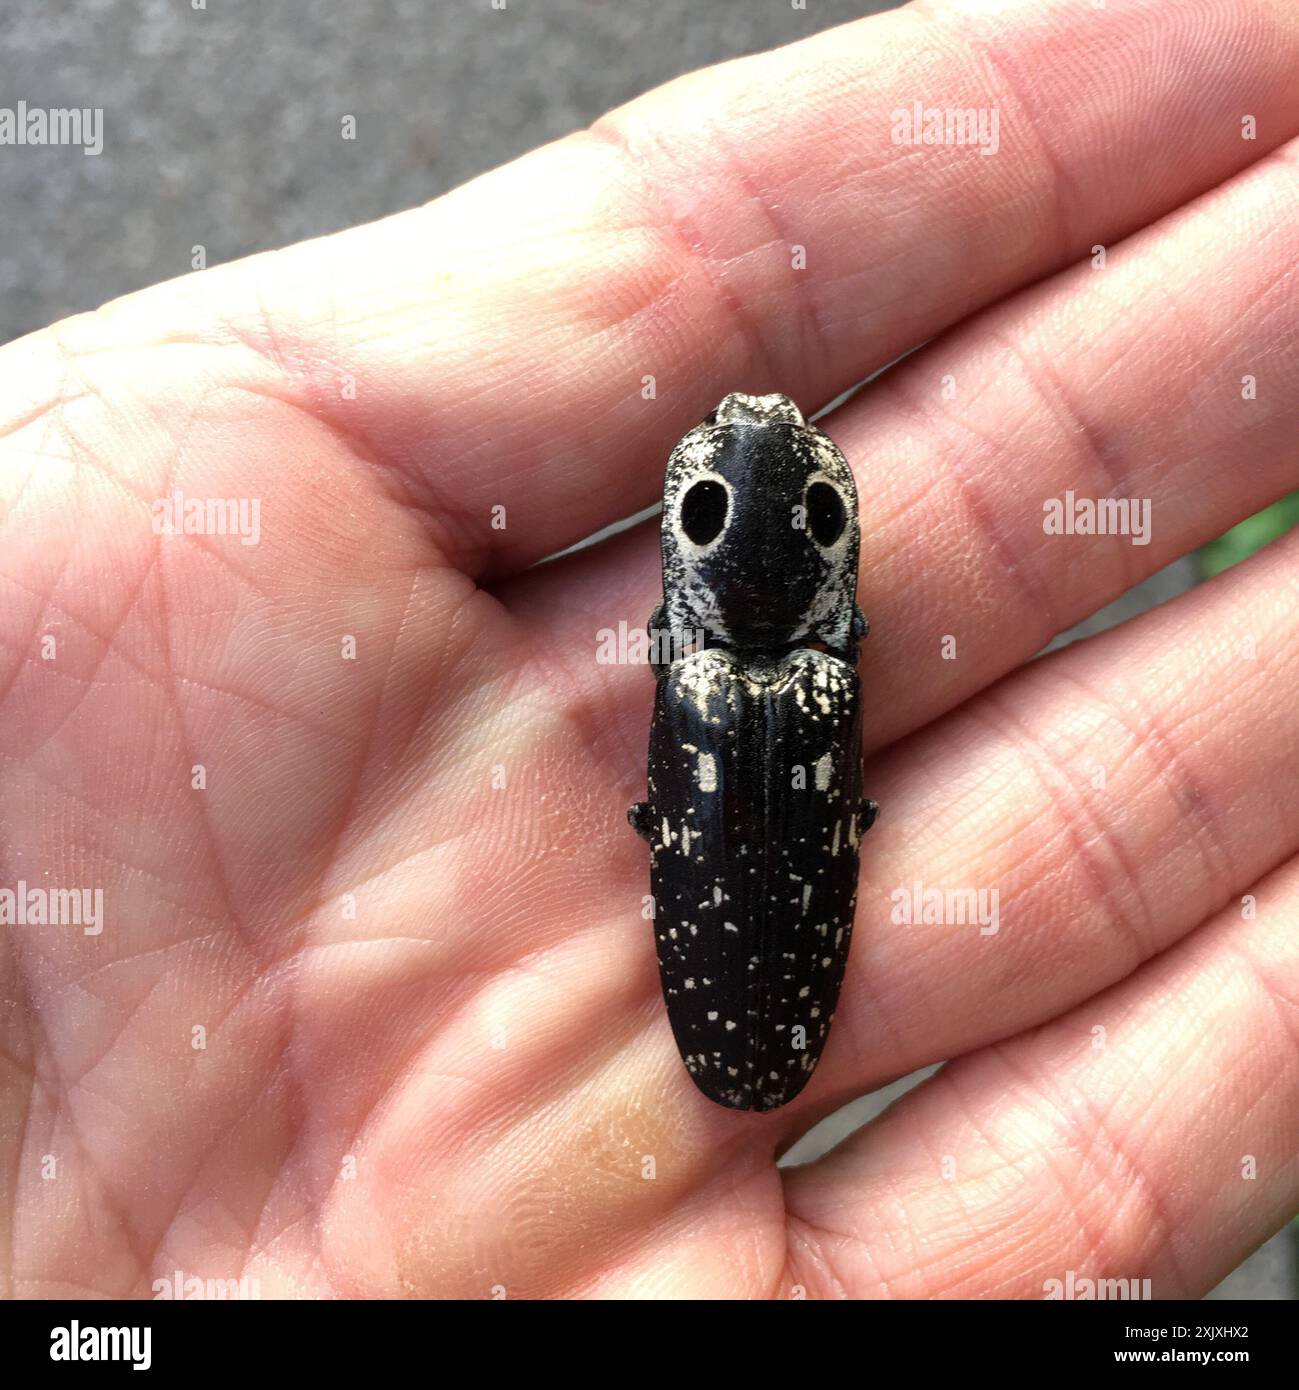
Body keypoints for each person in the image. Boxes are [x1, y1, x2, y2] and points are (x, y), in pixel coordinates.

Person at [2, 0, 1297, 1298]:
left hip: (751, 976)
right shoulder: (816, 674)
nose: (750, 428)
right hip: (755, 967)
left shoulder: (726, 676)